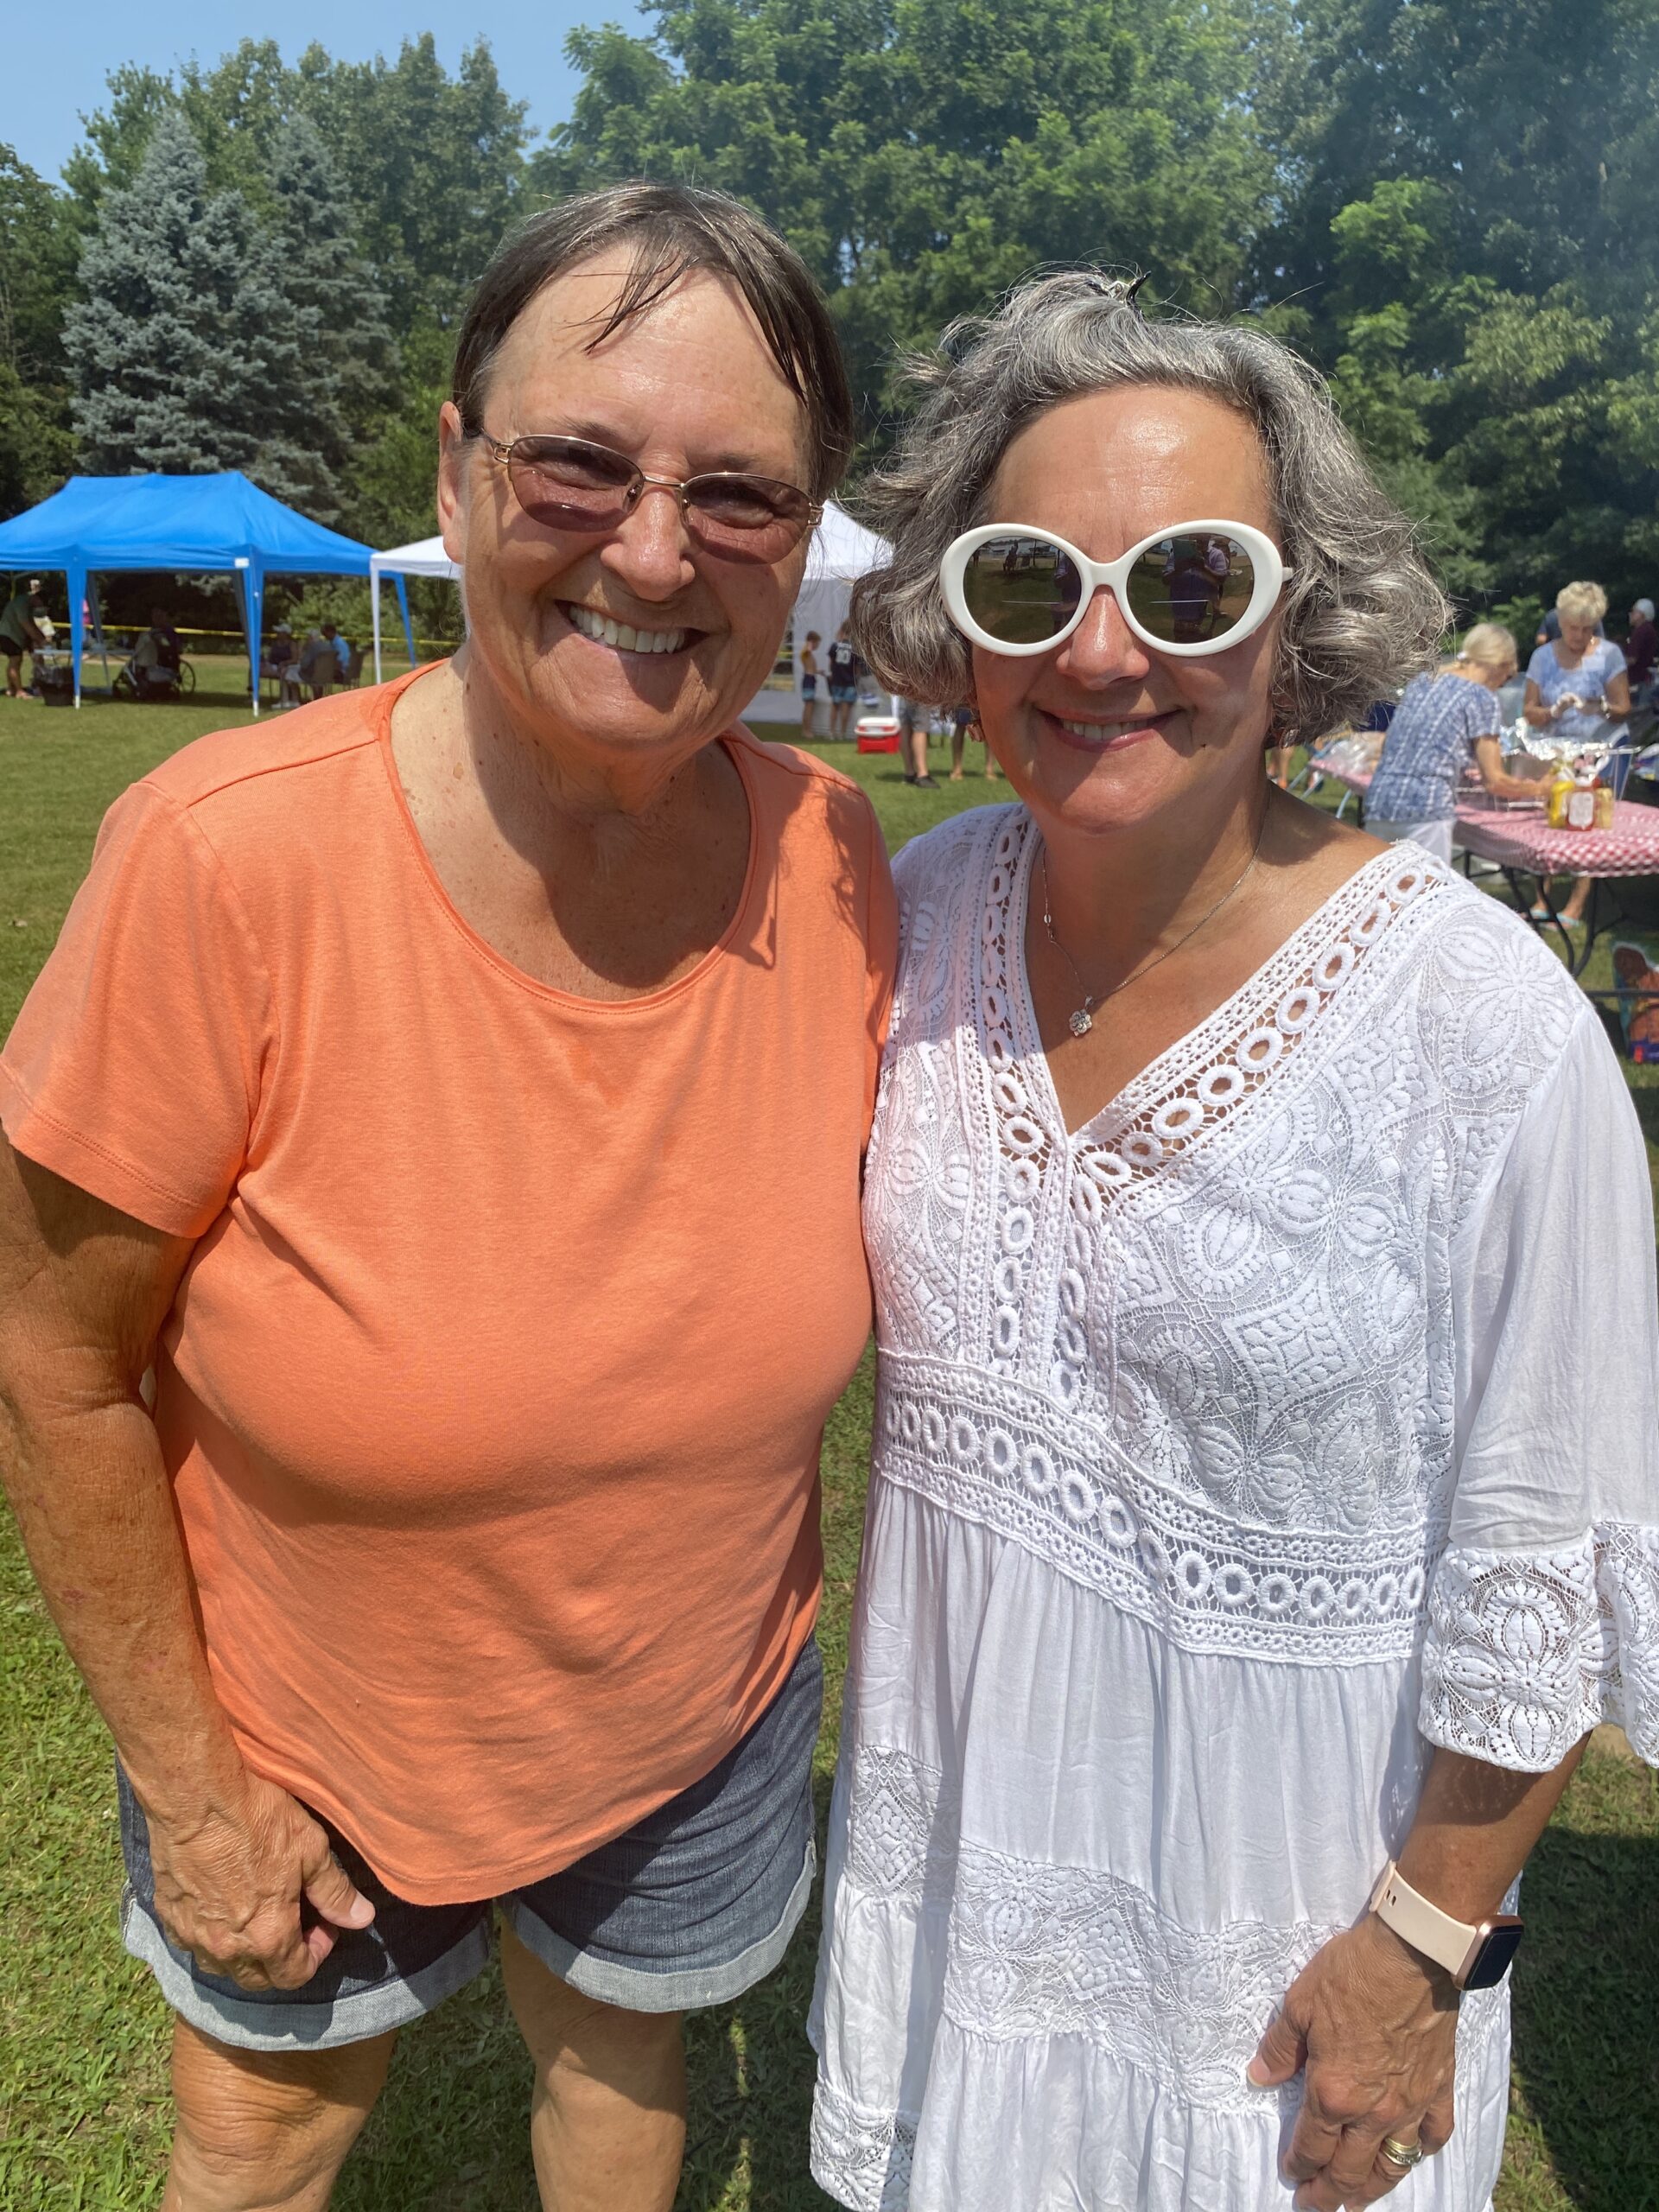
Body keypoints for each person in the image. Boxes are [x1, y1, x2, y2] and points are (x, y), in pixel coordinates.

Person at [0, 181, 894, 2212]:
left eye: (739, 497)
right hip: (309, 1717)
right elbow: (50, 1369)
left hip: (704, 1697)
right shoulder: (221, 859)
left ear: (801, 539)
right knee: (260, 2132)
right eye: (579, 461)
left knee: (623, 2077)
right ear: (457, 467)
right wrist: (194, 1784)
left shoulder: (846, 862)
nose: (655, 550)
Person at [809, 272, 1658, 2212]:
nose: (1103, 655)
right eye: (1031, 585)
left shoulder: (1483, 1030)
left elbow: (1554, 1553)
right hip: (963, 1888)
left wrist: (1424, 1950)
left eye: (1188, 585)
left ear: (1299, 626)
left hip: (1286, 1971)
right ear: (964, 625)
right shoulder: (915, 919)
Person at [1364, 622, 1543, 861]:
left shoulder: (1423, 682)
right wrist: (1541, 788)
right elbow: (1495, 781)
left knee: (1380, 892)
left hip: (1380, 801)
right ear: (1502, 665)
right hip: (1425, 811)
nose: (1503, 683)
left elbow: (1389, 744)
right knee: (1427, 895)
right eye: (1508, 676)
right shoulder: (1481, 697)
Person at [1524, 581, 1632, 925]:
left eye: (1587, 629)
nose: (1580, 635)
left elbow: (1623, 707)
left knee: (1590, 825)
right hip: (1559, 751)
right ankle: (1541, 897)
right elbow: (1529, 711)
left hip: (1599, 750)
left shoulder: (1608, 654)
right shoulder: (1543, 657)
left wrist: (1599, 706)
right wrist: (1552, 712)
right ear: (1562, 623)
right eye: (1573, 628)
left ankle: (1577, 903)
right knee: (1549, 821)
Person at [0, 579, 47, 698]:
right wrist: (39, 639)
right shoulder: (22, 603)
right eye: (40, 603)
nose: (40, 607)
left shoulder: (27, 604)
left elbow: (31, 623)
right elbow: (25, 624)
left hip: (13, 635)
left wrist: (40, 636)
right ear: (36, 598)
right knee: (15, 660)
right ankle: (20, 692)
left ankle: (11, 689)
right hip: (8, 635)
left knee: (15, 661)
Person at [130, 607, 183, 701]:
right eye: (155, 616)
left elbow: (172, 648)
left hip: (165, 666)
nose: (156, 619)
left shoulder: (168, 632)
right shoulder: (153, 631)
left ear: (164, 617)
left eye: (159, 616)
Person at [947, 701, 999, 782]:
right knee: (960, 725)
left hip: (985, 691)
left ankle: (990, 769)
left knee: (990, 726)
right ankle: (957, 769)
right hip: (966, 693)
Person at [827, 620, 858, 737]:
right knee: (846, 707)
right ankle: (842, 732)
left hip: (836, 680)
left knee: (834, 706)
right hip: (850, 681)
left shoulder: (834, 646)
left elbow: (830, 664)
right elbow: (856, 668)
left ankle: (831, 731)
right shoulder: (854, 648)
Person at [897, 696, 936, 786]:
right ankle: (922, 774)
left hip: (903, 686)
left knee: (906, 723)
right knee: (921, 725)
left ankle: (909, 773)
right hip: (917, 686)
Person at [1625, 595, 1656, 703]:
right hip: (1644, 678)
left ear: (1641, 614)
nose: (1631, 614)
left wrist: (1616, 663)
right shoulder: (1649, 629)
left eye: (1634, 611)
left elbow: (1632, 659)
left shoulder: (1641, 631)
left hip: (1637, 680)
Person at [800, 626, 823, 735]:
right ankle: (806, 730)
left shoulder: (809, 654)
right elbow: (807, 650)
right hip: (808, 680)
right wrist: (809, 642)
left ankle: (807, 729)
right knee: (808, 706)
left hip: (811, 679)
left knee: (809, 706)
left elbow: (812, 669)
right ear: (812, 642)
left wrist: (819, 672)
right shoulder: (806, 652)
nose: (818, 646)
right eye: (817, 643)